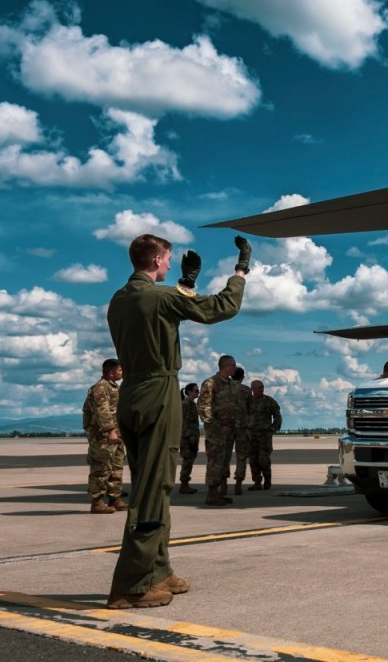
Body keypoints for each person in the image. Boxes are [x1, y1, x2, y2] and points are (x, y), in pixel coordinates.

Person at [104, 233, 248, 609]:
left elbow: (159, 315)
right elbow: (221, 308)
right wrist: (240, 271)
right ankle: (131, 584)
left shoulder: (119, 299)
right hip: (158, 394)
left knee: (156, 485)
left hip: (132, 393)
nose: (169, 265)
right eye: (167, 260)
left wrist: (185, 284)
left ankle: (157, 569)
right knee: (153, 490)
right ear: (155, 261)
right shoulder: (161, 296)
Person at [84, 358, 127, 514]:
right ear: (111, 373)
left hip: (116, 436)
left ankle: (114, 498)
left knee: (116, 469)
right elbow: (103, 411)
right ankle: (97, 502)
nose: (122, 373)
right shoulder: (100, 388)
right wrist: (110, 430)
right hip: (104, 436)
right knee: (101, 469)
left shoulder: (114, 387)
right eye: (120, 370)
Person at [198, 355, 239, 506]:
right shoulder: (211, 383)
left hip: (229, 431)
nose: (235, 368)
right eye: (233, 365)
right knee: (215, 462)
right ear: (226, 365)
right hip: (217, 432)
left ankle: (220, 491)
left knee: (224, 462)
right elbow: (203, 407)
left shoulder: (231, 384)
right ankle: (212, 493)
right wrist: (214, 426)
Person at [246, 380, 283, 490]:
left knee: (264, 459)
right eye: (259, 387)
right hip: (251, 436)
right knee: (253, 460)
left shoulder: (269, 401)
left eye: (262, 387)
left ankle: (267, 479)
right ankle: (257, 482)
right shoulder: (248, 402)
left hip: (264, 436)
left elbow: (277, 416)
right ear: (252, 389)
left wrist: (272, 429)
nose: (261, 389)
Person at [229, 366, 252, 495]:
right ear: (242, 377)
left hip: (227, 427)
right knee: (241, 457)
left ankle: (223, 484)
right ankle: (238, 483)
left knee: (224, 456)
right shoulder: (246, 390)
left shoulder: (225, 388)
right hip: (242, 428)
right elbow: (250, 408)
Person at [177, 383, 200, 495]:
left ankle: (185, 484)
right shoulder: (186, 404)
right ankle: (184, 485)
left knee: (190, 460)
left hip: (192, 436)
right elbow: (184, 422)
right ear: (189, 391)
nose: (198, 393)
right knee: (187, 460)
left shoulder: (191, 404)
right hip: (188, 438)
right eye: (196, 391)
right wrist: (189, 435)